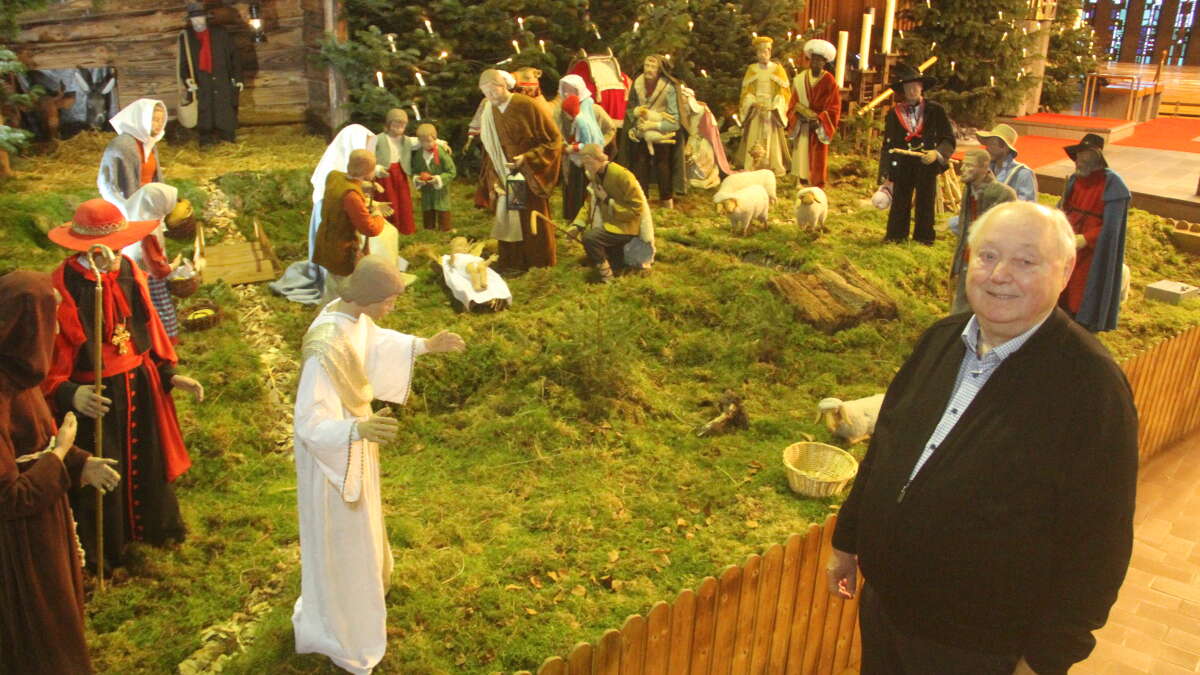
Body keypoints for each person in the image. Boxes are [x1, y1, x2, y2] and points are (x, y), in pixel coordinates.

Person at [828, 200, 1138, 675]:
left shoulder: (1090, 386)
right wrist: (847, 541)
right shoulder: (940, 340)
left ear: (1066, 268)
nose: (999, 274)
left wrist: (1047, 657)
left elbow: (1100, 542)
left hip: (979, 646)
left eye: (1025, 261)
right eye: (988, 255)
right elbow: (886, 448)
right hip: (887, 609)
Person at [292, 256, 464, 675]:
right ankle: (345, 623)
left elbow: (373, 343)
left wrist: (424, 344)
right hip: (333, 458)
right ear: (368, 299)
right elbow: (309, 422)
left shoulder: (349, 316)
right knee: (342, 536)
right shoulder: (324, 346)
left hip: (355, 438)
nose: (391, 308)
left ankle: (366, 586)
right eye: (388, 301)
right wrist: (357, 431)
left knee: (362, 527)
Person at [43, 199, 205, 572]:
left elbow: (146, 329)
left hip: (139, 384)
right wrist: (70, 393)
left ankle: (155, 530)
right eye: (106, 250)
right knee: (104, 467)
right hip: (95, 397)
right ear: (86, 248)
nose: (114, 256)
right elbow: (53, 355)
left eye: (118, 248)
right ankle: (107, 553)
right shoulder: (63, 285)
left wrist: (167, 375)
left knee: (148, 457)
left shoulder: (129, 269)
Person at [0, 270, 121, 675]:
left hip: (42, 522)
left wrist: (78, 462)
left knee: (62, 616)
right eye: (50, 317)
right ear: (27, 323)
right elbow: (9, 498)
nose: (56, 327)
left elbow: (36, 446)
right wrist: (63, 454)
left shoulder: (21, 375)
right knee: (42, 634)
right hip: (18, 546)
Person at [474, 68, 564, 275]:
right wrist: (495, 176)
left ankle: (538, 262)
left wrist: (528, 158)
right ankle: (514, 261)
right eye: (485, 93)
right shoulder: (490, 110)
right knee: (511, 215)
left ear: (503, 85)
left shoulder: (526, 105)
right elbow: (491, 148)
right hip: (505, 172)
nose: (490, 97)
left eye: (492, 91)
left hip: (528, 172)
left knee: (531, 215)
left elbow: (554, 140)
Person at [1057, 133, 1130, 332]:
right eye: (1077, 156)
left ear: (1096, 157)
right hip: (1068, 239)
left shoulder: (1113, 184)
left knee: (1083, 287)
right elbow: (1064, 207)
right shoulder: (1075, 179)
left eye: (1084, 156)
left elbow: (1112, 226)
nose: (1078, 161)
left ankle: (1082, 324)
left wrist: (1087, 239)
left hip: (1092, 249)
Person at [878, 64, 955, 244]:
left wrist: (937, 153)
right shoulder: (894, 114)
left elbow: (948, 138)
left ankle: (924, 237)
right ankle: (896, 235)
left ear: (922, 87)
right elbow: (887, 143)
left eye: (915, 86)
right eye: (907, 87)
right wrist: (886, 171)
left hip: (926, 163)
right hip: (903, 163)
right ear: (902, 91)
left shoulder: (935, 110)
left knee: (926, 200)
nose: (911, 90)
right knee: (900, 199)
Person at [311, 149, 393, 303]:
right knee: (344, 289)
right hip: (342, 249)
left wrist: (364, 187)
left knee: (332, 283)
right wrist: (377, 213)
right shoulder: (352, 197)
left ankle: (327, 310)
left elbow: (345, 189)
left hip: (325, 240)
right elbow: (370, 229)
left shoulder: (334, 176)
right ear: (367, 172)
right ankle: (338, 317)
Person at [571, 144, 653, 283]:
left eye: (589, 163)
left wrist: (608, 200)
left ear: (597, 159)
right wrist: (577, 225)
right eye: (585, 165)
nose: (587, 169)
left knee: (590, 238)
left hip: (625, 225)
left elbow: (636, 208)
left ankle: (607, 276)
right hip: (609, 223)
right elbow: (589, 203)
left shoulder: (622, 175)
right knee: (613, 259)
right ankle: (613, 265)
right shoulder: (595, 175)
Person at [949, 149, 1016, 314]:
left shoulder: (1003, 194)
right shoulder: (969, 189)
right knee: (961, 302)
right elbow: (966, 226)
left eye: (969, 166)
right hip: (968, 256)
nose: (963, 169)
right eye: (963, 164)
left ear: (984, 168)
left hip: (989, 262)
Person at [119, 183, 183, 342]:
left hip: (134, 270)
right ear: (157, 203)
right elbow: (157, 269)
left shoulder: (136, 216)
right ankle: (164, 343)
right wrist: (175, 265)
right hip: (147, 278)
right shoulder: (148, 230)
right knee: (160, 310)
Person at [622, 55, 684, 207]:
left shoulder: (668, 88)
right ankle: (641, 198)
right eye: (646, 65)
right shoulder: (637, 84)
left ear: (659, 70)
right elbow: (631, 108)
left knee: (663, 164)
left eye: (653, 67)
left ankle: (666, 198)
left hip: (661, 132)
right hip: (641, 130)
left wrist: (654, 126)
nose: (648, 69)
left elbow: (675, 120)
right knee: (639, 162)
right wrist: (634, 120)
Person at [178, 2, 243, 145]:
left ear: (206, 18)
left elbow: (234, 55)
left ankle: (227, 139)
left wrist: (238, 78)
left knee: (224, 107)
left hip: (221, 76)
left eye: (200, 18)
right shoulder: (186, 37)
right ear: (190, 20)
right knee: (204, 109)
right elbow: (183, 62)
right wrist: (188, 79)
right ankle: (206, 141)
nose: (198, 22)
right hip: (200, 78)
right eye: (194, 19)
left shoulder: (220, 33)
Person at [558, 73, 613, 222]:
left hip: (590, 159)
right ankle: (573, 219)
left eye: (571, 90)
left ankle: (591, 218)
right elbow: (557, 131)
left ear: (580, 90)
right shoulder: (562, 110)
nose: (567, 94)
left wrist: (597, 146)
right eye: (565, 90)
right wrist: (565, 146)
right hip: (572, 158)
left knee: (589, 188)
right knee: (572, 188)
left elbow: (610, 129)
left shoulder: (594, 110)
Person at [788, 39, 840, 187]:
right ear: (809, 60)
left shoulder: (830, 82)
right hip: (802, 124)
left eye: (819, 61)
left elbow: (834, 107)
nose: (815, 63)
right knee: (801, 151)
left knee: (818, 155)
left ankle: (816, 182)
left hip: (817, 126)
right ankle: (801, 178)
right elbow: (793, 102)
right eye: (813, 60)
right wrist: (796, 115)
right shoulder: (799, 79)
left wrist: (820, 120)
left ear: (825, 63)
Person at [736, 37, 791, 176]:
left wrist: (776, 104)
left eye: (766, 51)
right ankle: (753, 164)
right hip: (756, 107)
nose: (763, 54)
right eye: (760, 51)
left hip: (771, 108)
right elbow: (746, 92)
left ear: (770, 51)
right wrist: (752, 102)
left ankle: (772, 164)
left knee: (772, 136)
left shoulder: (778, 69)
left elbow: (784, 91)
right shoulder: (752, 69)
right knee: (754, 133)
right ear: (756, 53)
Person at [98, 98, 167, 208]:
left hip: (149, 204)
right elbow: (108, 185)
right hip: (128, 207)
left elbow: (156, 179)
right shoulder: (122, 145)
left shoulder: (150, 144)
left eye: (162, 120)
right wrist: (128, 207)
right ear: (142, 119)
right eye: (154, 119)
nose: (159, 124)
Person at [373, 109, 418, 235]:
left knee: (403, 199)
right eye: (395, 125)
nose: (399, 128)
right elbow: (368, 153)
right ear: (388, 125)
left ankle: (404, 227)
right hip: (385, 174)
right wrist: (376, 168)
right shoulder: (379, 139)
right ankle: (385, 226)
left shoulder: (406, 140)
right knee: (387, 198)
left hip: (400, 173)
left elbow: (422, 141)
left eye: (402, 126)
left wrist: (439, 142)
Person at [411, 122, 457, 232]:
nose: (426, 144)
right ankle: (429, 228)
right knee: (427, 206)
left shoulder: (441, 153)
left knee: (442, 206)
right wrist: (417, 179)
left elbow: (451, 171)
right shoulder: (419, 155)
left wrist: (438, 178)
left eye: (429, 141)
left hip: (440, 189)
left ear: (435, 139)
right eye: (423, 142)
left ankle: (445, 227)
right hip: (426, 189)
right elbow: (415, 170)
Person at [977, 123, 1037, 202]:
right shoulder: (987, 169)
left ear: (1005, 148)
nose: (987, 149)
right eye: (987, 144)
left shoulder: (1023, 173)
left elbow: (1026, 206)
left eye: (992, 144)